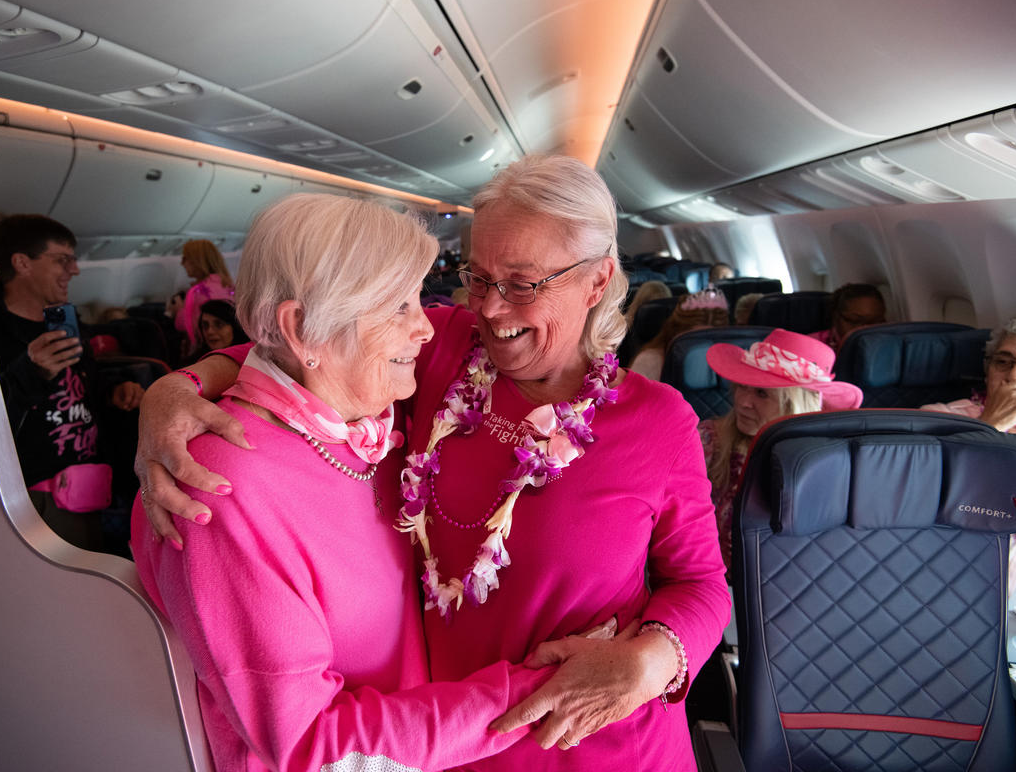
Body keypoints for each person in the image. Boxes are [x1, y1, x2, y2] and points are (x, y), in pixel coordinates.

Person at [136, 155, 730, 770]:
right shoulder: (447, 349)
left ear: (597, 281)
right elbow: (308, 345)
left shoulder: (660, 421)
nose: (490, 310)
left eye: (521, 284)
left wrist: (651, 662)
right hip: (440, 742)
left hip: (599, 740)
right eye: (479, 278)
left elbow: (702, 584)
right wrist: (179, 388)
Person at [0, 214, 144, 552]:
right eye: (62, 260)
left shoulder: (64, 321)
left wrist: (114, 391)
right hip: (37, 496)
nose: (75, 269)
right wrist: (32, 371)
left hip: (89, 482)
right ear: (22, 263)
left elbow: (84, 385)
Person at [700, 328, 863, 574]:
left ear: (796, 404)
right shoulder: (708, 441)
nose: (743, 402)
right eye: (741, 387)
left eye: (761, 393)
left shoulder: (829, 459)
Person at [921, 311, 1016, 595]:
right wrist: (991, 425)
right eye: (1003, 362)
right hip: (951, 571)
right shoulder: (937, 419)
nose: (1015, 375)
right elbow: (921, 491)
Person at [629, 288, 729, 381]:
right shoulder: (650, 361)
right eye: (694, 340)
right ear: (675, 332)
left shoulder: (727, 361)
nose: (703, 347)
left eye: (710, 340)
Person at [167, 239, 236, 355]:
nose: (182, 264)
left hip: (205, 350)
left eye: (185, 259)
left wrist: (179, 311)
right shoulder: (229, 285)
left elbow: (188, 327)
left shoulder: (198, 292)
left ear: (196, 261)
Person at [811, 282, 886, 353]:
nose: (864, 329)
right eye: (855, 321)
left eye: (874, 322)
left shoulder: (888, 344)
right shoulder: (812, 346)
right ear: (835, 318)